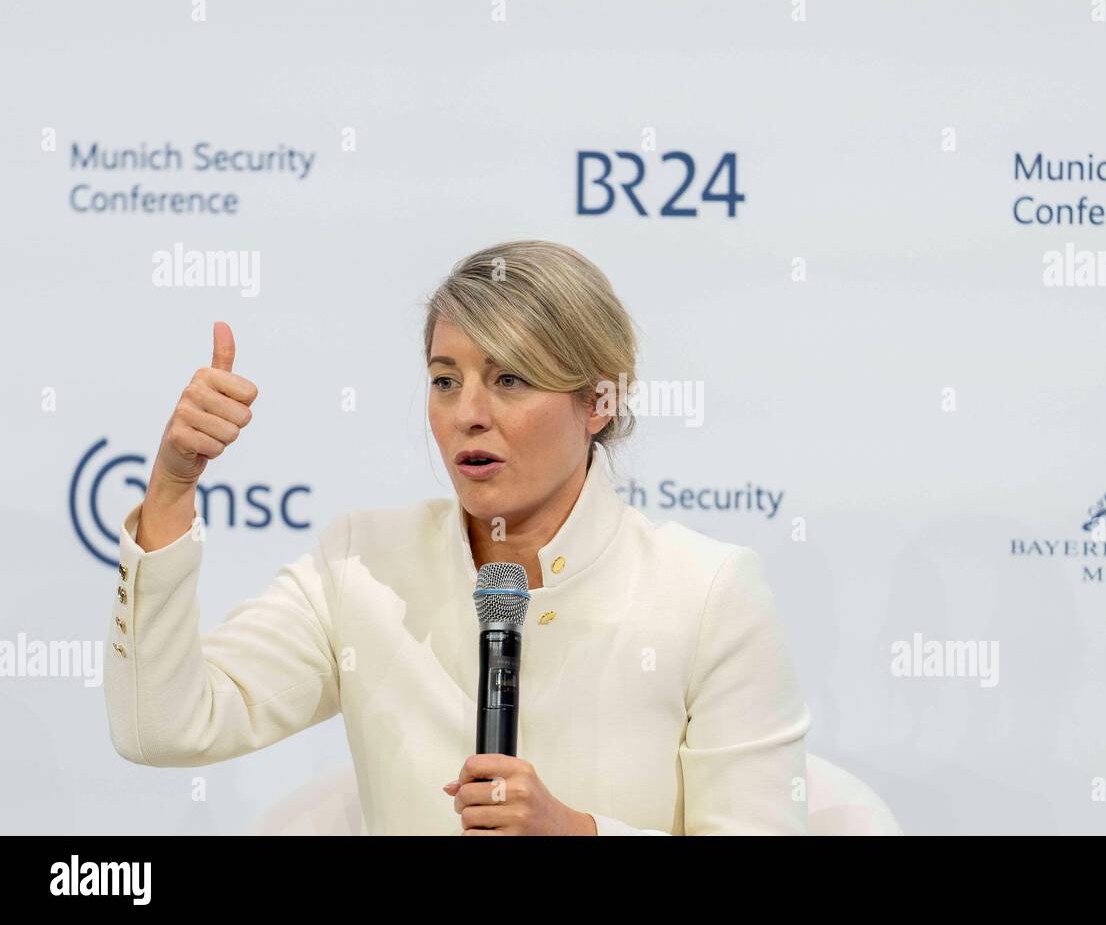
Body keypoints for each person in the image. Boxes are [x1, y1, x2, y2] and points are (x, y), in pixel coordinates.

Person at [104, 239, 812, 835]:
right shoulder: (363, 563)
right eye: (445, 380)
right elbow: (161, 729)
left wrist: (580, 835)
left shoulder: (708, 591)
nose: (468, 413)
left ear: (599, 402)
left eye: (509, 379)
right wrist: (171, 487)